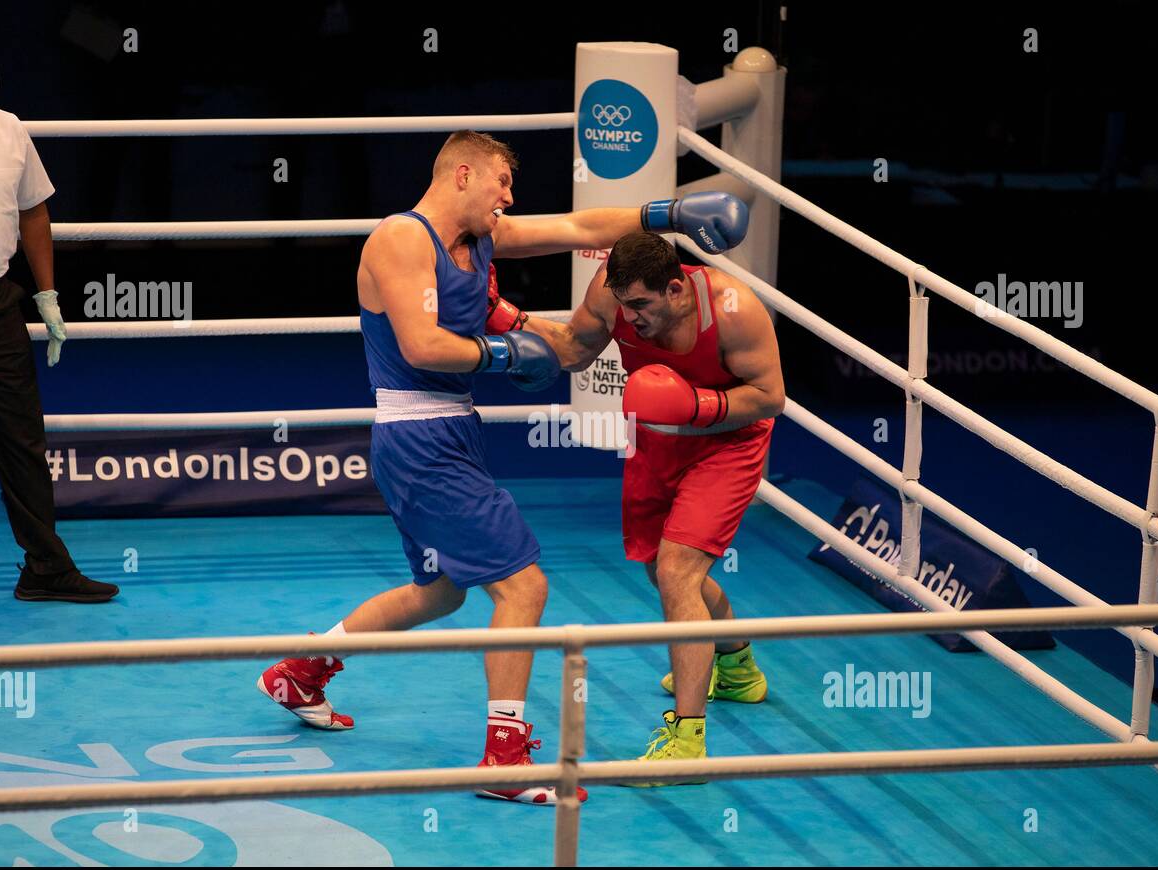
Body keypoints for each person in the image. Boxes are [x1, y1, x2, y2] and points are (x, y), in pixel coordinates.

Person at [257, 130, 748, 804]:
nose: (508, 199)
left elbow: (578, 227)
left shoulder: (481, 239)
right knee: (525, 589)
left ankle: (300, 671)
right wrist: (504, 353)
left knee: (442, 592)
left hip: (449, 429)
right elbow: (423, 345)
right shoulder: (402, 240)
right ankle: (505, 760)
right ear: (463, 174)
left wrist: (663, 215)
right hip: (418, 434)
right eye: (501, 184)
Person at [489, 230, 784, 783]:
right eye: (624, 305)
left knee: (678, 570)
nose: (631, 318)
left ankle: (687, 742)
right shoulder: (613, 292)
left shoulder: (733, 308)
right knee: (659, 566)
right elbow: (576, 350)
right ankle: (737, 665)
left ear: (676, 289)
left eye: (642, 305)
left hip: (728, 442)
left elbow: (769, 396)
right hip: (656, 438)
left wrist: (697, 404)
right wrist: (508, 319)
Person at [0, 23, 117, 603]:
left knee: (21, 441)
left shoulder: (10, 131)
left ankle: (46, 568)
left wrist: (47, 295)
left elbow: (34, 211)